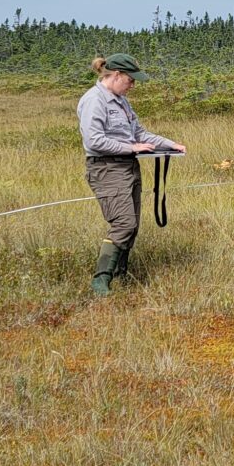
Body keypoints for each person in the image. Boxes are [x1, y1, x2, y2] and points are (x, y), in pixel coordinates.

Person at [77, 54, 185, 295]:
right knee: (124, 223)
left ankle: (120, 274)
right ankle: (100, 281)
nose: (133, 85)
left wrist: (170, 144)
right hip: (106, 168)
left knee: (132, 224)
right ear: (115, 75)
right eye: (130, 80)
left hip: (128, 167)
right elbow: (94, 140)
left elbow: (139, 133)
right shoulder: (95, 100)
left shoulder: (122, 101)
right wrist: (131, 148)